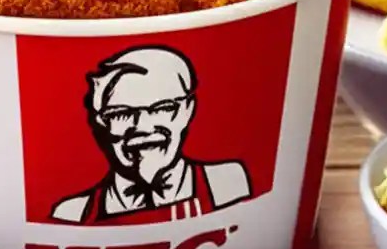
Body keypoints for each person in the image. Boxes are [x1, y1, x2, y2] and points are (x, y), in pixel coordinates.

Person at [51, 46, 250, 225]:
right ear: (102, 122)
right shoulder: (73, 213)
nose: (143, 127)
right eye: (122, 114)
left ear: (188, 110)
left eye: (162, 109)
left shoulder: (226, 184)